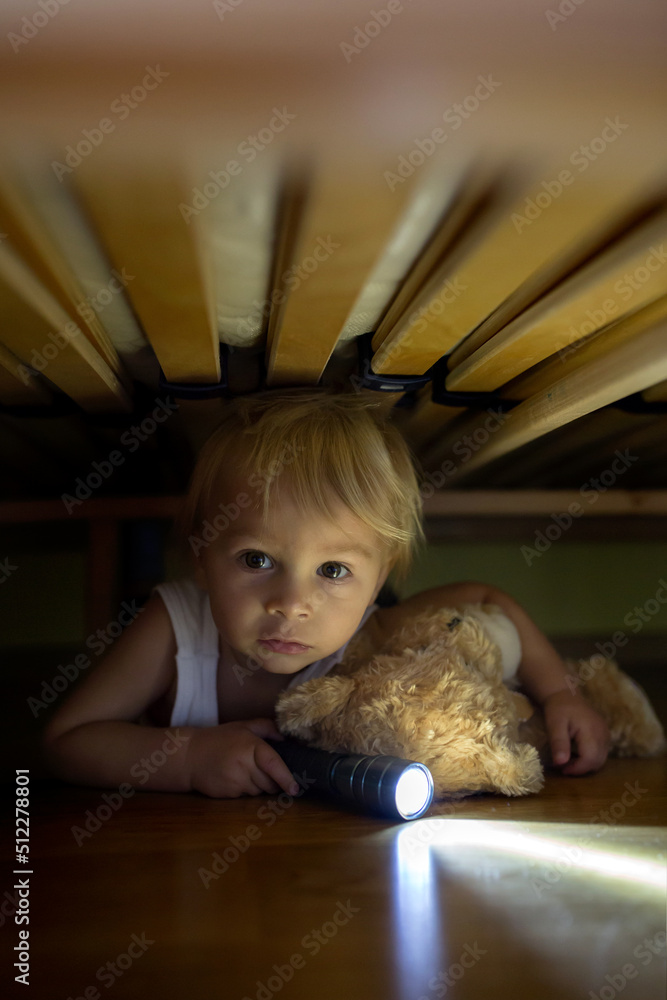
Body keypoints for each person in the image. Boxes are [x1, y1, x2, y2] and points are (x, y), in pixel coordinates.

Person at [43, 390, 610, 798]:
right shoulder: (173, 627)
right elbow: (66, 742)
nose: (291, 603)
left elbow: (486, 598)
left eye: (333, 570)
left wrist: (559, 694)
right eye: (257, 560)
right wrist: (188, 757)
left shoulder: (372, 633)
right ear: (201, 558)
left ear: (377, 582)